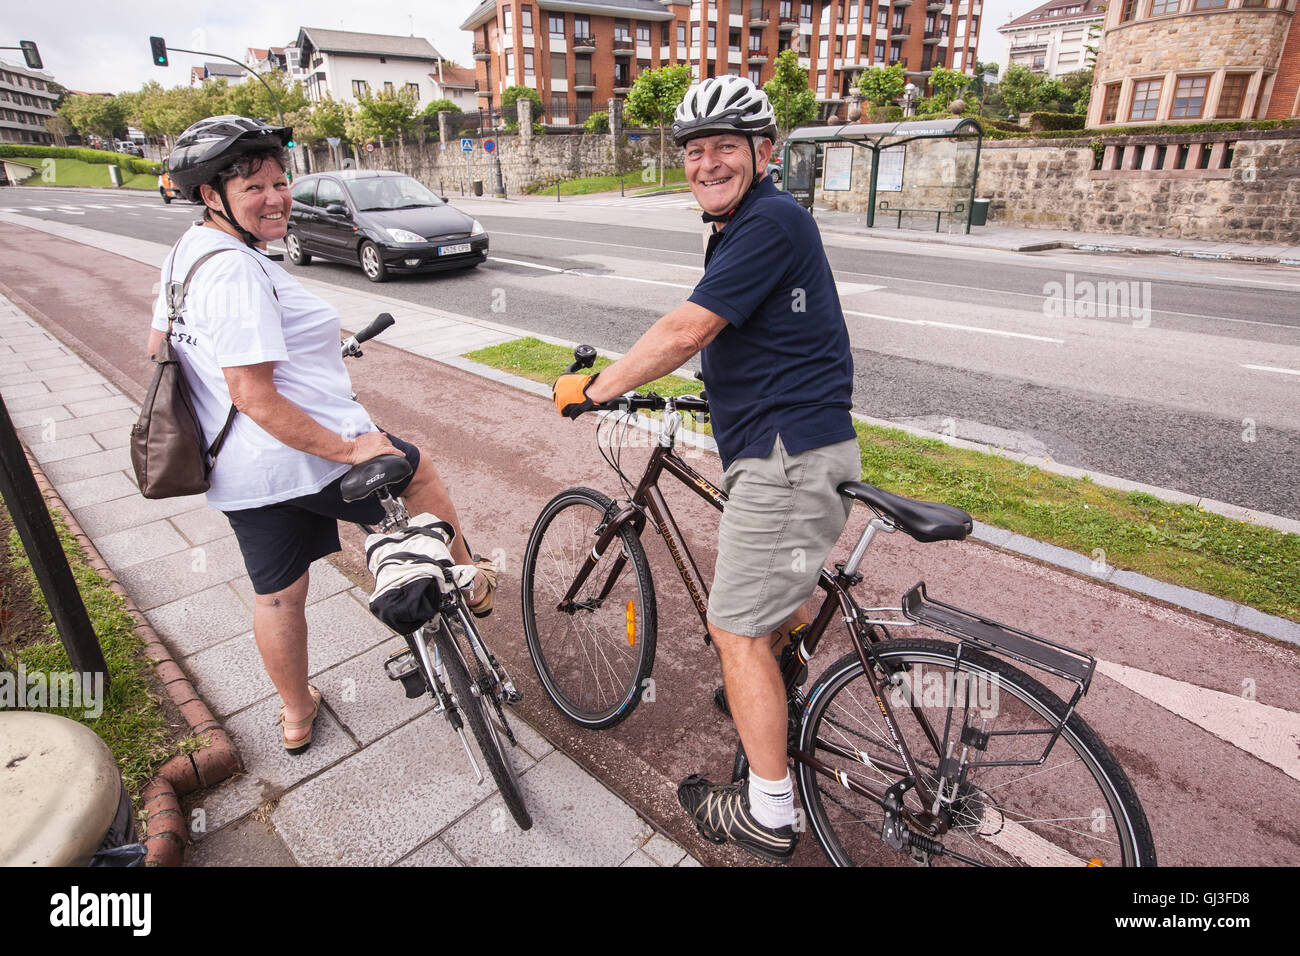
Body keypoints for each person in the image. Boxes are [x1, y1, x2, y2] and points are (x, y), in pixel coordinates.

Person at [552, 76, 858, 863]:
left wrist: (595, 387)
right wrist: (710, 395)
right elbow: (751, 339)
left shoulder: (772, 218)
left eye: (726, 145)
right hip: (798, 446)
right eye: (694, 150)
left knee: (735, 629)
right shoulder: (747, 225)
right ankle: (772, 691)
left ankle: (767, 811)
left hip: (786, 462)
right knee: (767, 613)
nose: (707, 162)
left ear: (765, 152)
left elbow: (689, 326)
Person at [149, 115, 495, 754]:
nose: (276, 197)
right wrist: (349, 448)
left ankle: (296, 715)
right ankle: (470, 584)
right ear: (210, 194)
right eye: (253, 186)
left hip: (240, 474)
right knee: (417, 471)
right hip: (310, 458)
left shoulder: (185, 258)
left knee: (278, 598)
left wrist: (313, 346)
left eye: (281, 181)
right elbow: (252, 393)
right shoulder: (235, 271)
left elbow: (164, 348)